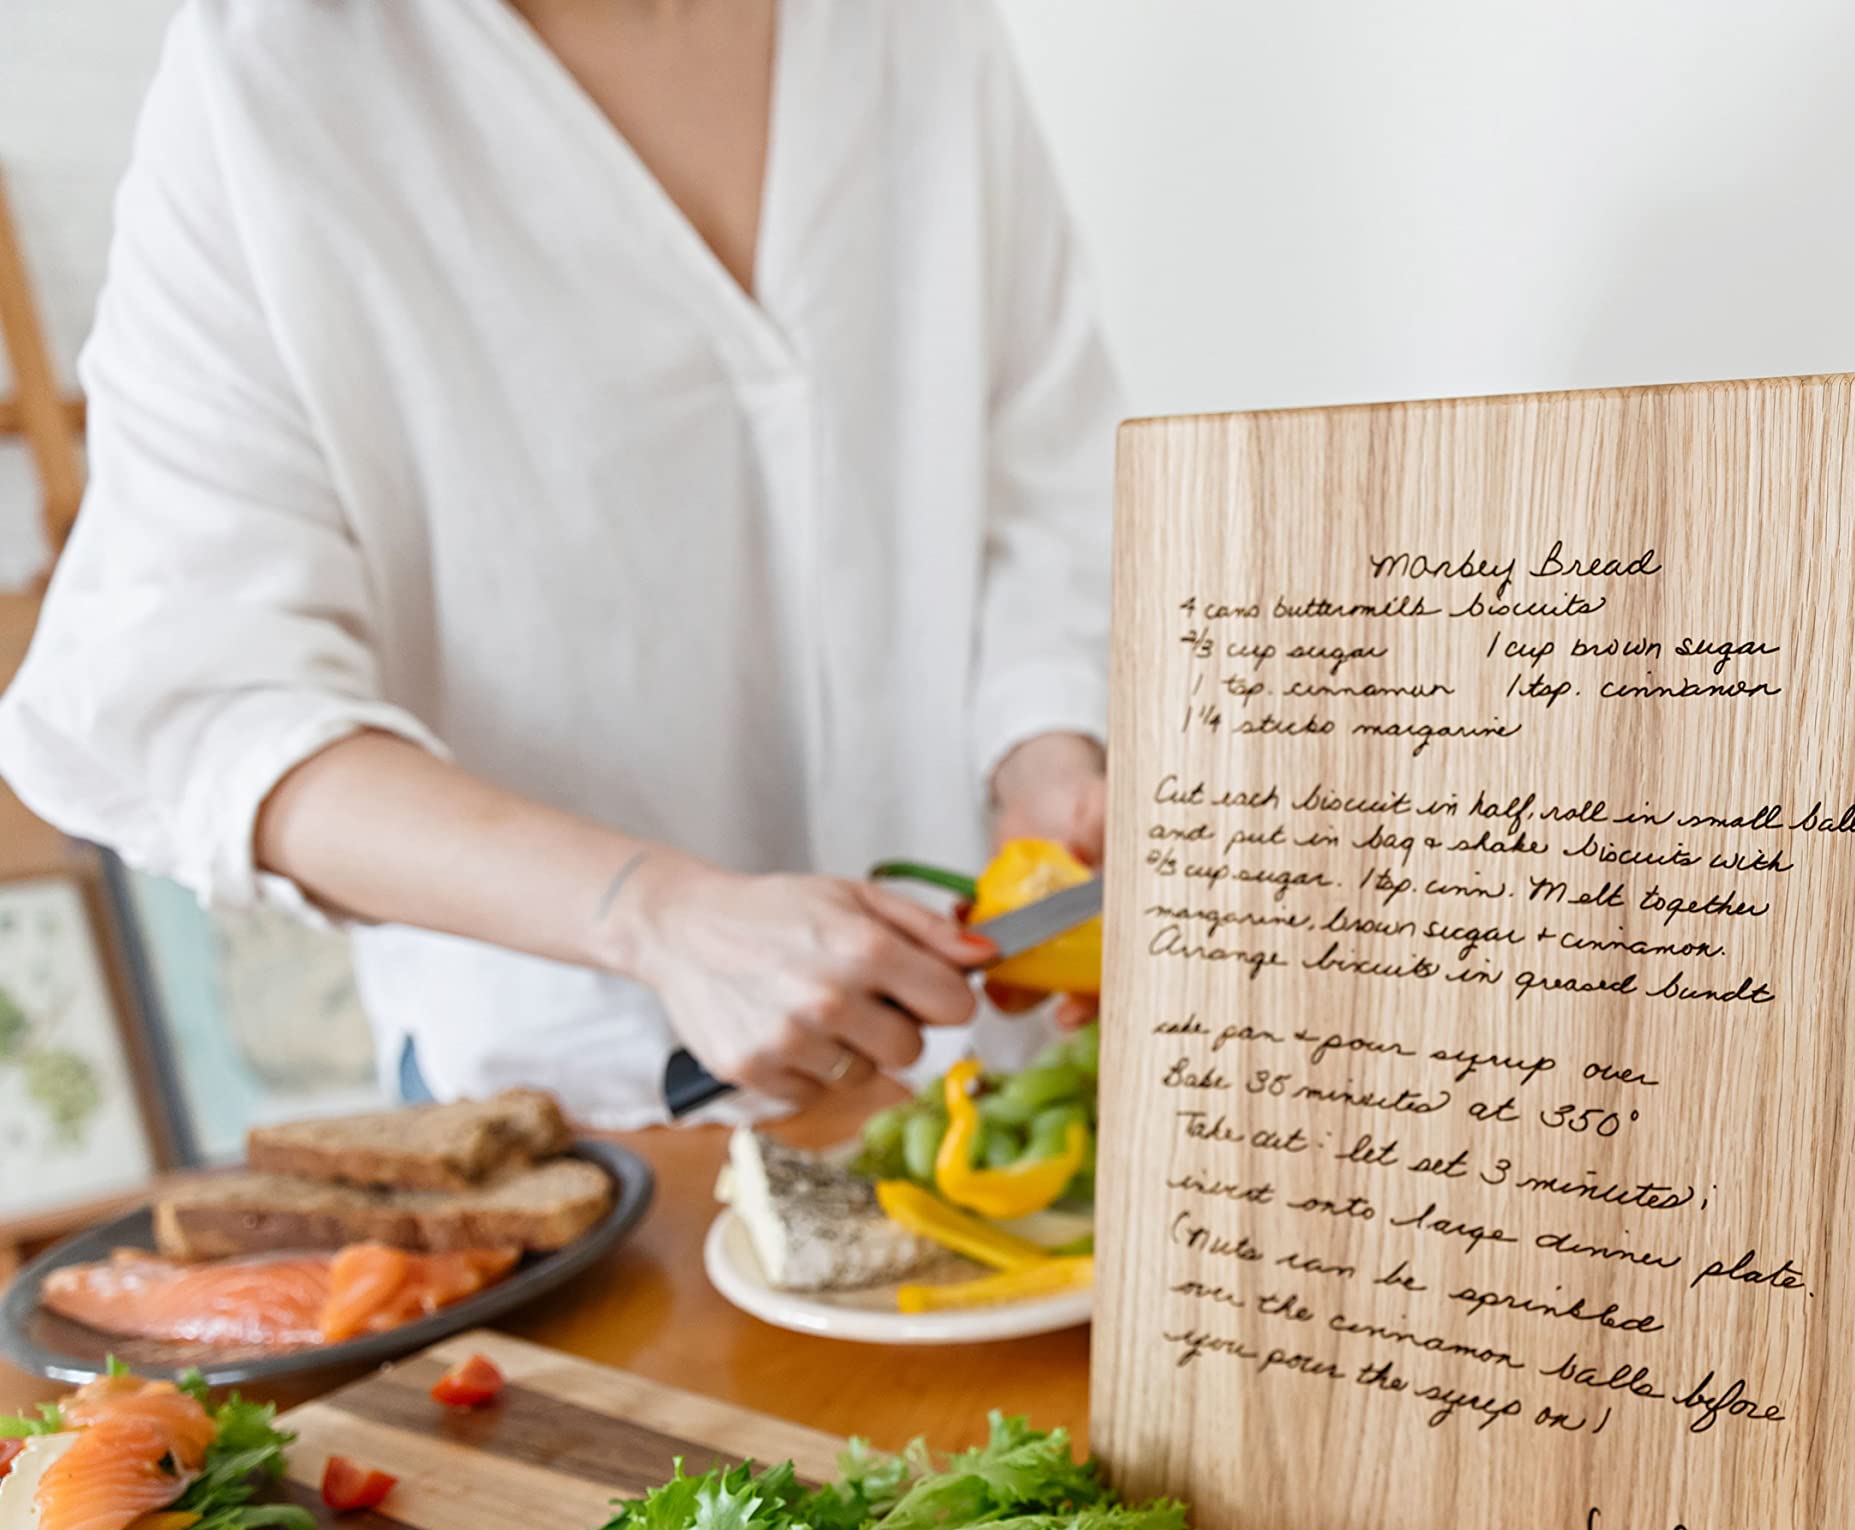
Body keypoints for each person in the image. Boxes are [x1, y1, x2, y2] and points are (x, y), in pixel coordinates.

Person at [0, 0, 1114, 1124]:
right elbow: (202, 704)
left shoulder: (917, 29)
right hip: (588, 1121)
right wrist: (655, 915)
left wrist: (1045, 756)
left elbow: (1047, 482)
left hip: (1006, 1080)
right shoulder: (271, 78)